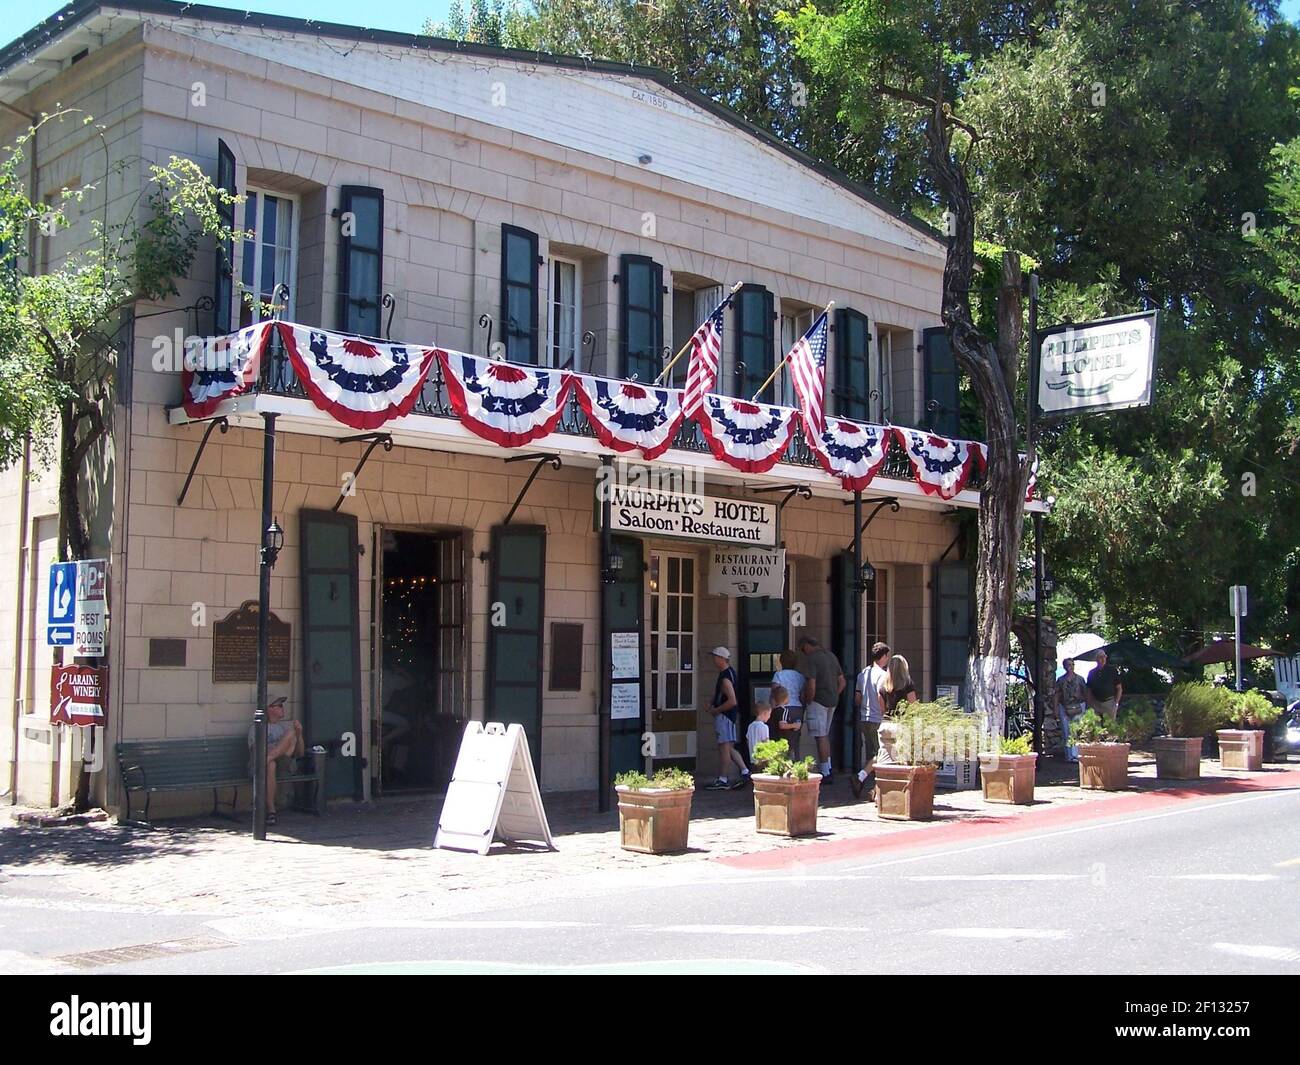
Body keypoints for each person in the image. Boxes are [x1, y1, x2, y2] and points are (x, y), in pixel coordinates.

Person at [247, 695, 304, 826]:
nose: (282, 708)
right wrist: (276, 749)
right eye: (279, 705)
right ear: (269, 709)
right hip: (262, 766)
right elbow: (255, 751)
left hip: (283, 764)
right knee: (270, 765)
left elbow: (299, 753)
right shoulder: (256, 728)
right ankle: (271, 811)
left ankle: (268, 759)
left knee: (291, 734)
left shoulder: (282, 728)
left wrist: (299, 734)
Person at [798, 636, 845, 784]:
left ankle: (825, 771)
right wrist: (834, 694)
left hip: (818, 701)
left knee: (821, 736)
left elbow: (811, 684)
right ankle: (828, 766)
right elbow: (842, 681)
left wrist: (809, 700)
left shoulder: (812, 659)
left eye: (802, 648)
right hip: (832, 701)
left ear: (806, 645)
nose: (803, 652)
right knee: (825, 734)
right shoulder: (831, 656)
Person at [851, 642, 891, 799]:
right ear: (882, 657)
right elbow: (882, 698)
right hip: (877, 718)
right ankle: (861, 778)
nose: (887, 659)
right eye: (887, 656)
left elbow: (857, 698)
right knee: (881, 754)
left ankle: (874, 790)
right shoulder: (882, 676)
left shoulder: (863, 674)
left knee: (871, 755)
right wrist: (885, 713)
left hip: (864, 718)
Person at [706, 647, 749, 790]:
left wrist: (716, 710)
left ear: (721, 658)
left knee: (724, 747)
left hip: (725, 716)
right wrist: (712, 701)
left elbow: (732, 700)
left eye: (715, 657)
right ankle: (744, 771)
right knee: (729, 747)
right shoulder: (728, 673)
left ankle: (723, 779)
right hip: (728, 715)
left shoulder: (725, 677)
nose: (713, 660)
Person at [1053, 658, 1088, 761]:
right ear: (1064, 666)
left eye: (1072, 664)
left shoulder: (1080, 679)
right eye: (1068, 664)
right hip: (1064, 707)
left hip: (1078, 706)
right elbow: (1056, 695)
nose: (1070, 666)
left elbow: (1085, 693)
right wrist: (1055, 709)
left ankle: (1076, 755)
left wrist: (1087, 707)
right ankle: (1069, 756)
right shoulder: (1060, 680)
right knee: (1066, 731)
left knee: (1076, 731)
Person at [1086, 650, 1123, 721]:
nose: (1103, 659)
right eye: (1100, 657)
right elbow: (1089, 689)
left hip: (1109, 703)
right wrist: (1090, 704)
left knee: (1110, 728)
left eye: (1104, 657)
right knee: (1097, 728)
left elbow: (1119, 688)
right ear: (1096, 659)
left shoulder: (1112, 670)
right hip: (1096, 704)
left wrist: (1116, 703)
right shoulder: (1092, 673)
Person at [770, 683, 803, 759]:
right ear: (786, 698)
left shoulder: (773, 711)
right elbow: (782, 725)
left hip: (774, 739)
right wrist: (795, 725)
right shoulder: (784, 711)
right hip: (783, 740)